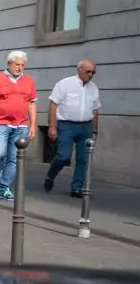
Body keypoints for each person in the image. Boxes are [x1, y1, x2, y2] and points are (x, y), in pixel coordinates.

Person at [0, 50, 37, 201]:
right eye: (17, 64)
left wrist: (33, 125)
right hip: (0, 123)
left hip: (21, 125)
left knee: (13, 159)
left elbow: (31, 104)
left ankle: (4, 188)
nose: (20, 67)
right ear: (9, 63)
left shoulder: (28, 81)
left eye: (23, 65)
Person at [45, 60, 100, 198]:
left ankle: (76, 188)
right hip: (66, 125)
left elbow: (95, 109)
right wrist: (52, 126)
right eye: (88, 71)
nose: (91, 75)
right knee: (63, 156)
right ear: (79, 70)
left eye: (93, 72)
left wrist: (94, 129)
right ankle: (51, 175)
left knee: (83, 159)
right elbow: (53, 105)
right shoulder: (64, 84)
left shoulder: (93, 87)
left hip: (85, 126)